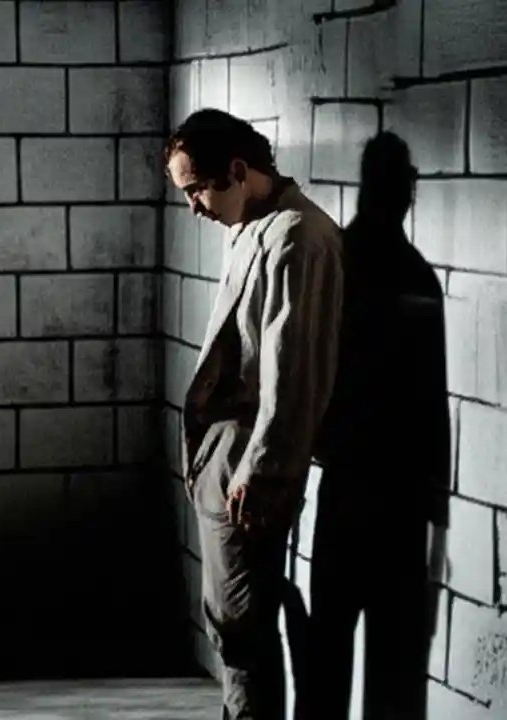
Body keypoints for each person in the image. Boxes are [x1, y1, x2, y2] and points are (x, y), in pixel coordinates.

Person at [165, 108, 344, 719]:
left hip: (248, 464)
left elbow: (295, 374)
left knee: (241, 627)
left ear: (237, 170)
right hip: (227, 455)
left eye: (195, 189)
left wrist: (262, 471)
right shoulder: (253, 225)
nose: (193, 206)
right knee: (232, 624)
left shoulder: (298, 236)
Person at [307, 131, 450, 720]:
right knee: (393, 673)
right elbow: (433, 412)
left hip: (344, 490)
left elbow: (305, 378)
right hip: (400, 506)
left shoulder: (333, 264)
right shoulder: (419, 279)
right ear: (408, 192)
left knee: (326, 661)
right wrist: (437, 513)